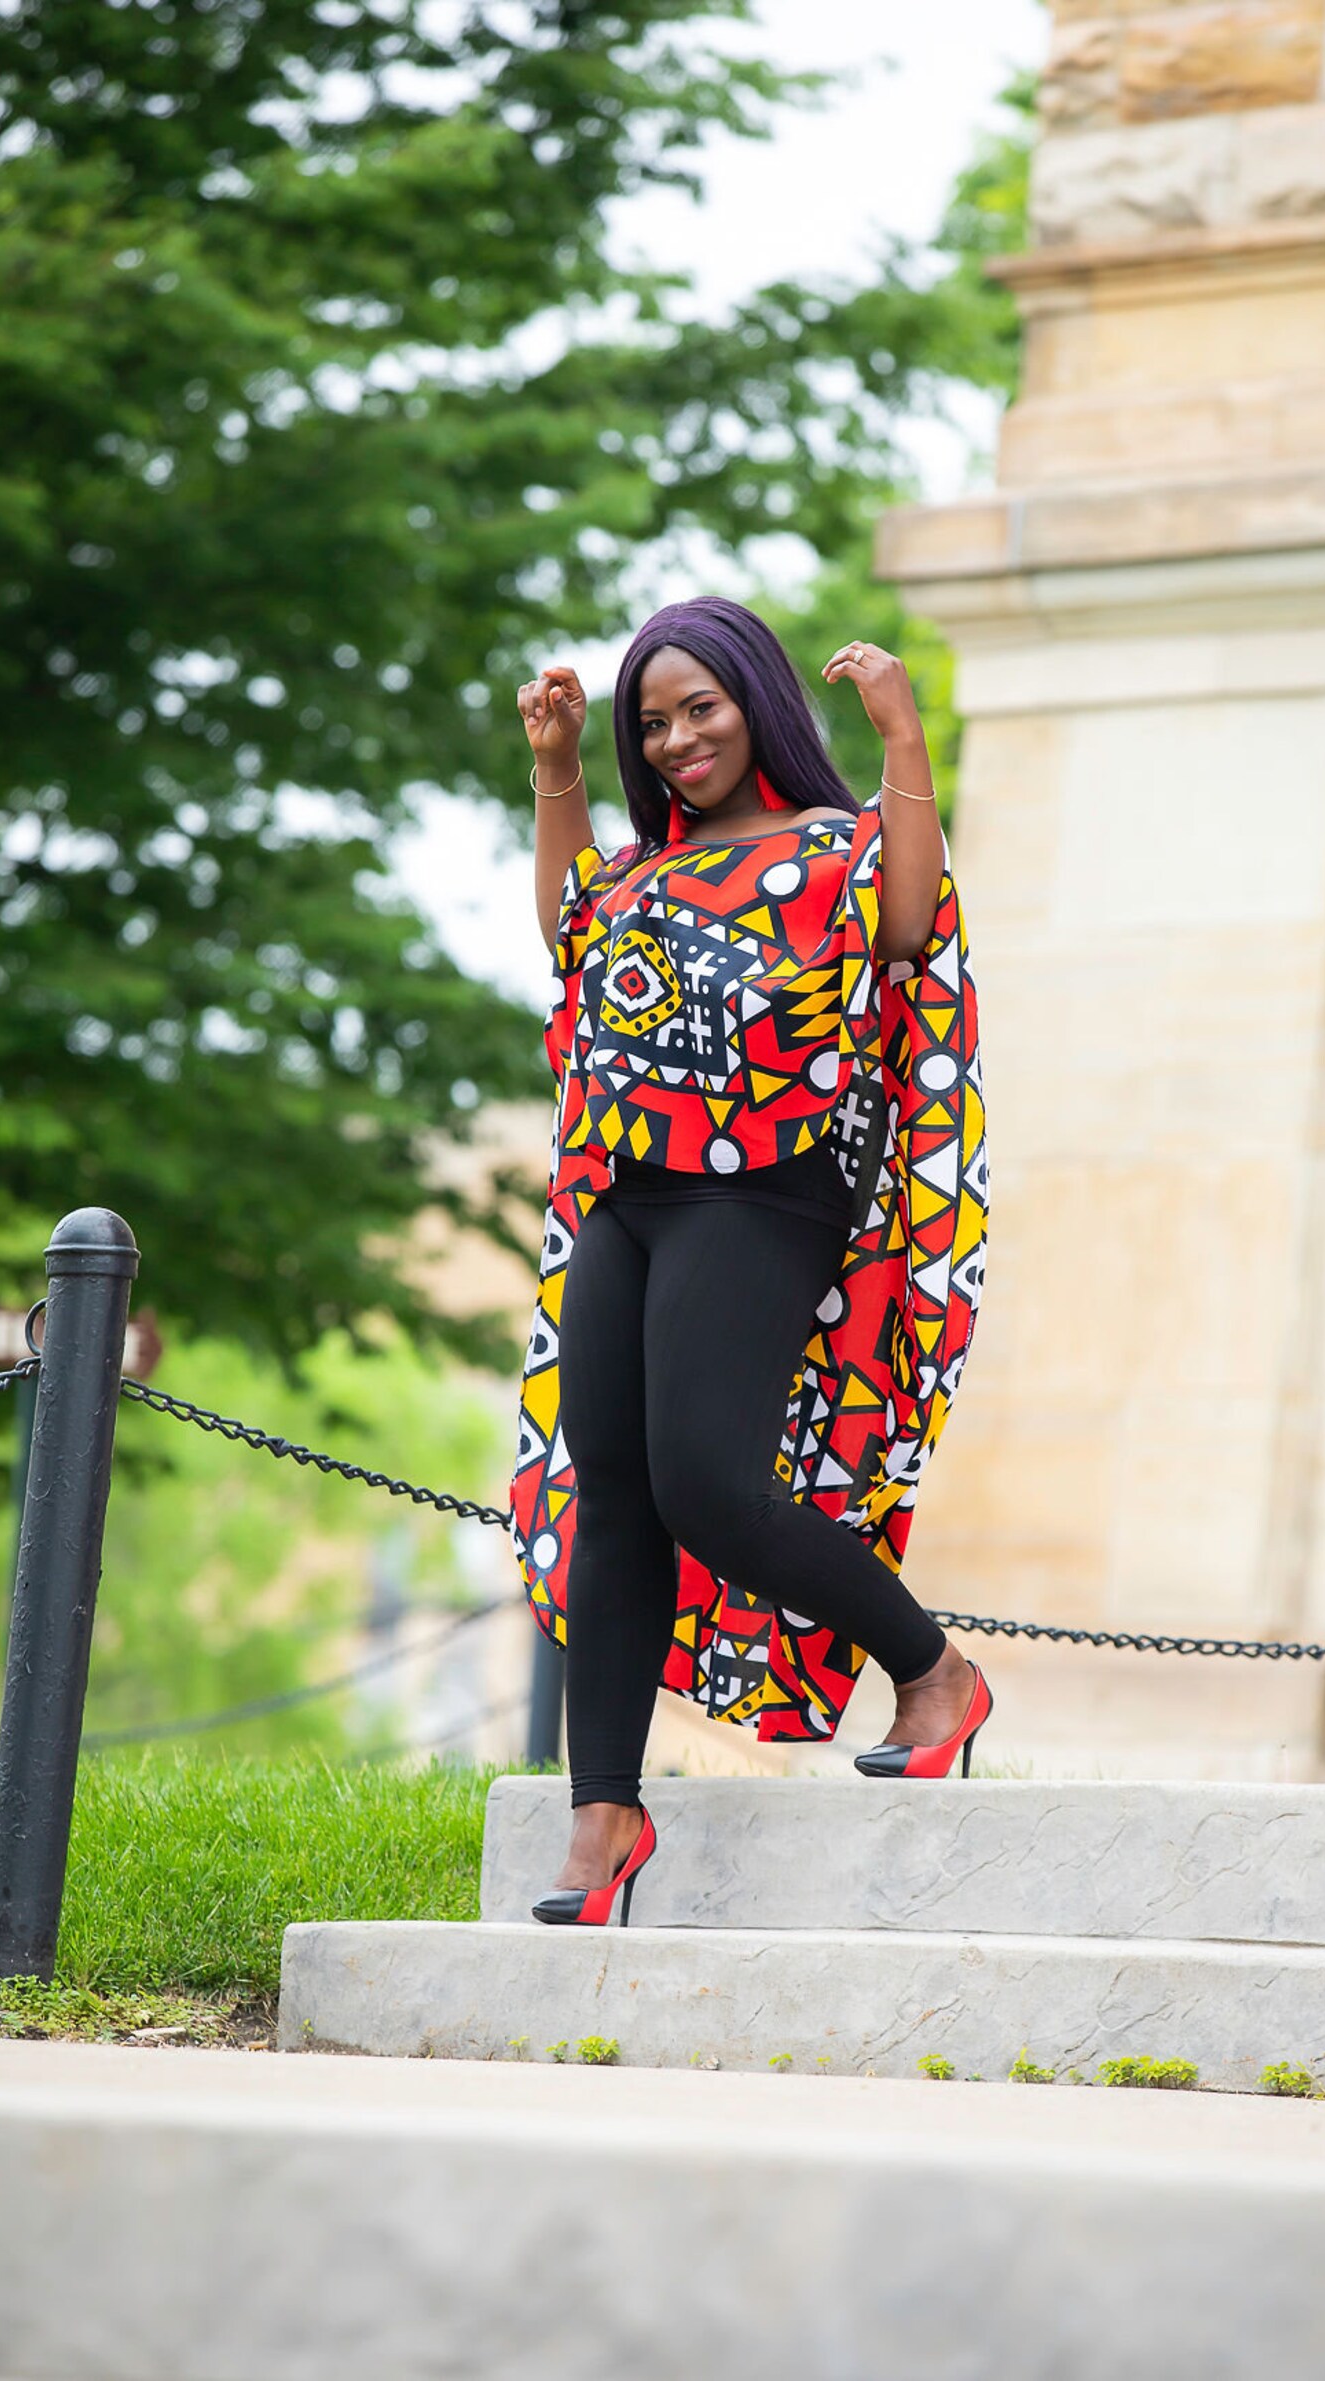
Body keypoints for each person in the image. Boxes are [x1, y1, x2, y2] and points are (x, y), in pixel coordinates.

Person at [508, 597, 989, 1926]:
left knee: (708, 1481)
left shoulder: (833, 847)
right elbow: (569, 938)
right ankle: (602, 1813)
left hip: (766, 1189)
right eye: (649, 723)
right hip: (626, 1187)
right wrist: (557, 775)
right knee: (614, 1495)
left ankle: (933, 1669)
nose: (673, 739)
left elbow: (905, 926)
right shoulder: (640, 878)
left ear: (756, 698)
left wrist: (902, 732)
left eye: (697, 708)